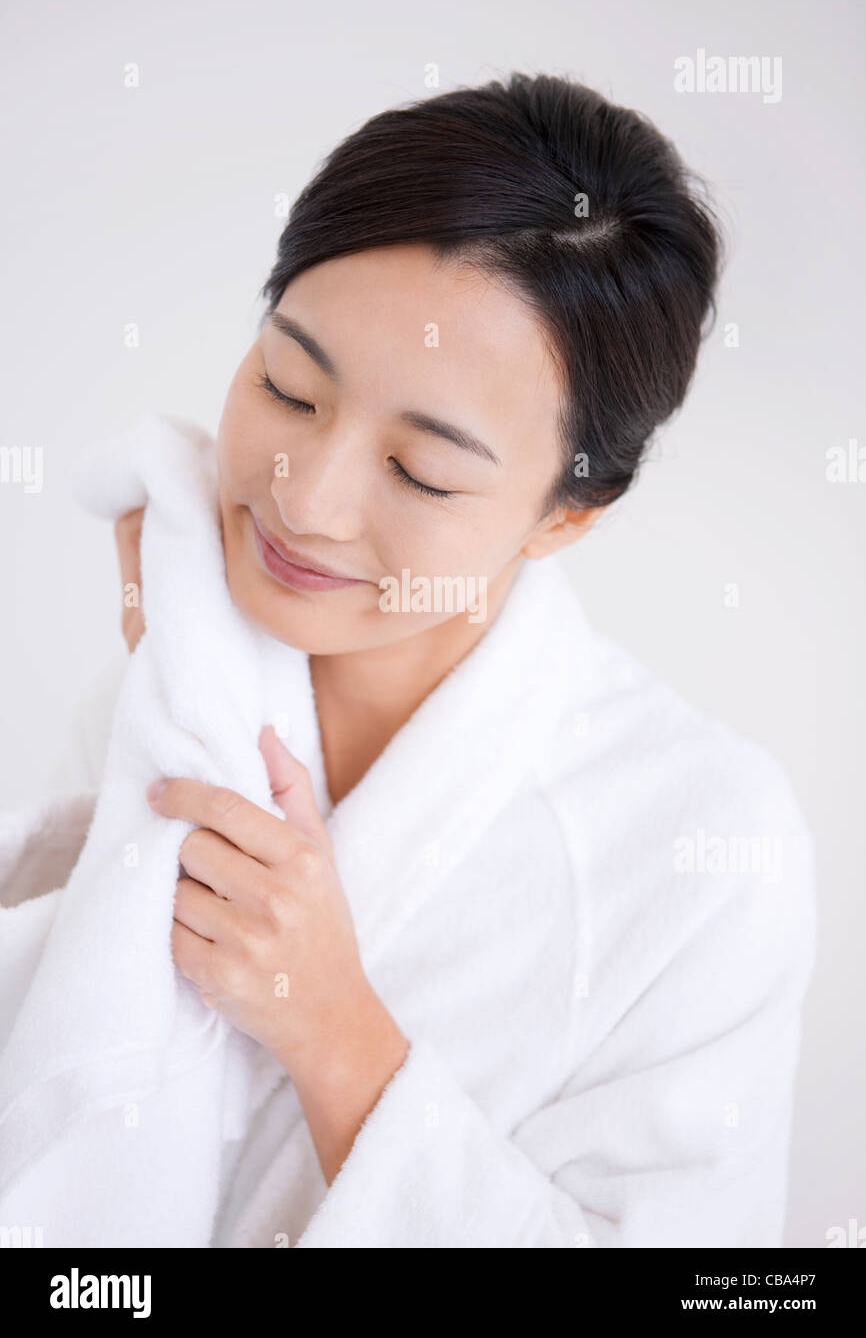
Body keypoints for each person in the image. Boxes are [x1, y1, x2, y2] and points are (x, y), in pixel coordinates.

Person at [54, 73, 816, 1247]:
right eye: (287, 386)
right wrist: (176, 702)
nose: (303, 502)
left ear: (566, 515)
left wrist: (334, 1031)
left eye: (421, 473)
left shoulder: (699, 845)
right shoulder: (171, 660)